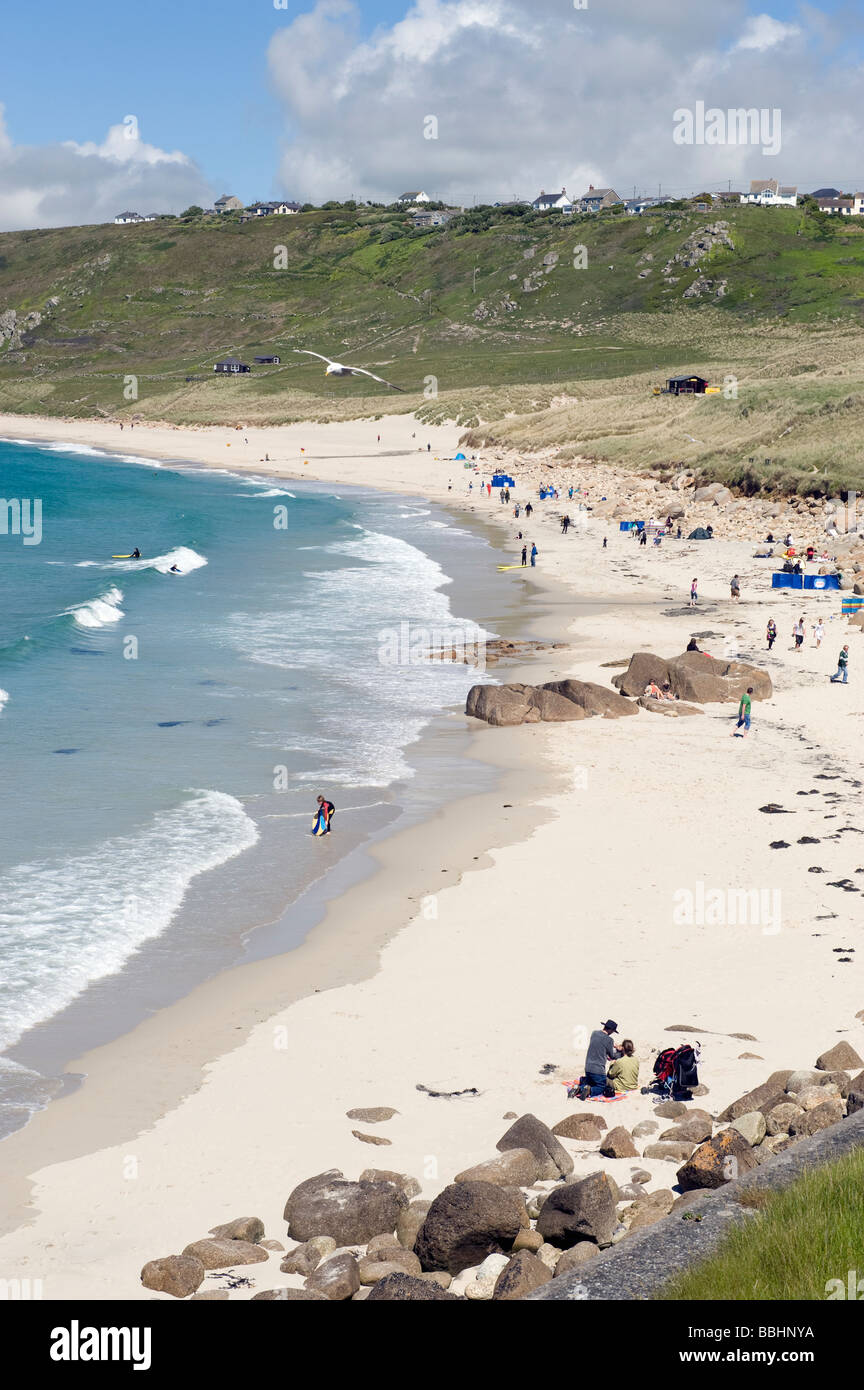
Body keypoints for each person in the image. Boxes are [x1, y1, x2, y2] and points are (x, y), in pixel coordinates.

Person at [579, 1020, 623, 1099]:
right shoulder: (609, 1040)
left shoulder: (594, 1033)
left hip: (588, 1067)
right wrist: (619, 1052)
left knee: (590, 1082)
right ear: (611, 1030)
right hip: (598, 1069)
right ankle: (590, 1091)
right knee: (601, 1086)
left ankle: (579, 1089)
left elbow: (599, 1046)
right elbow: (612, 1056)